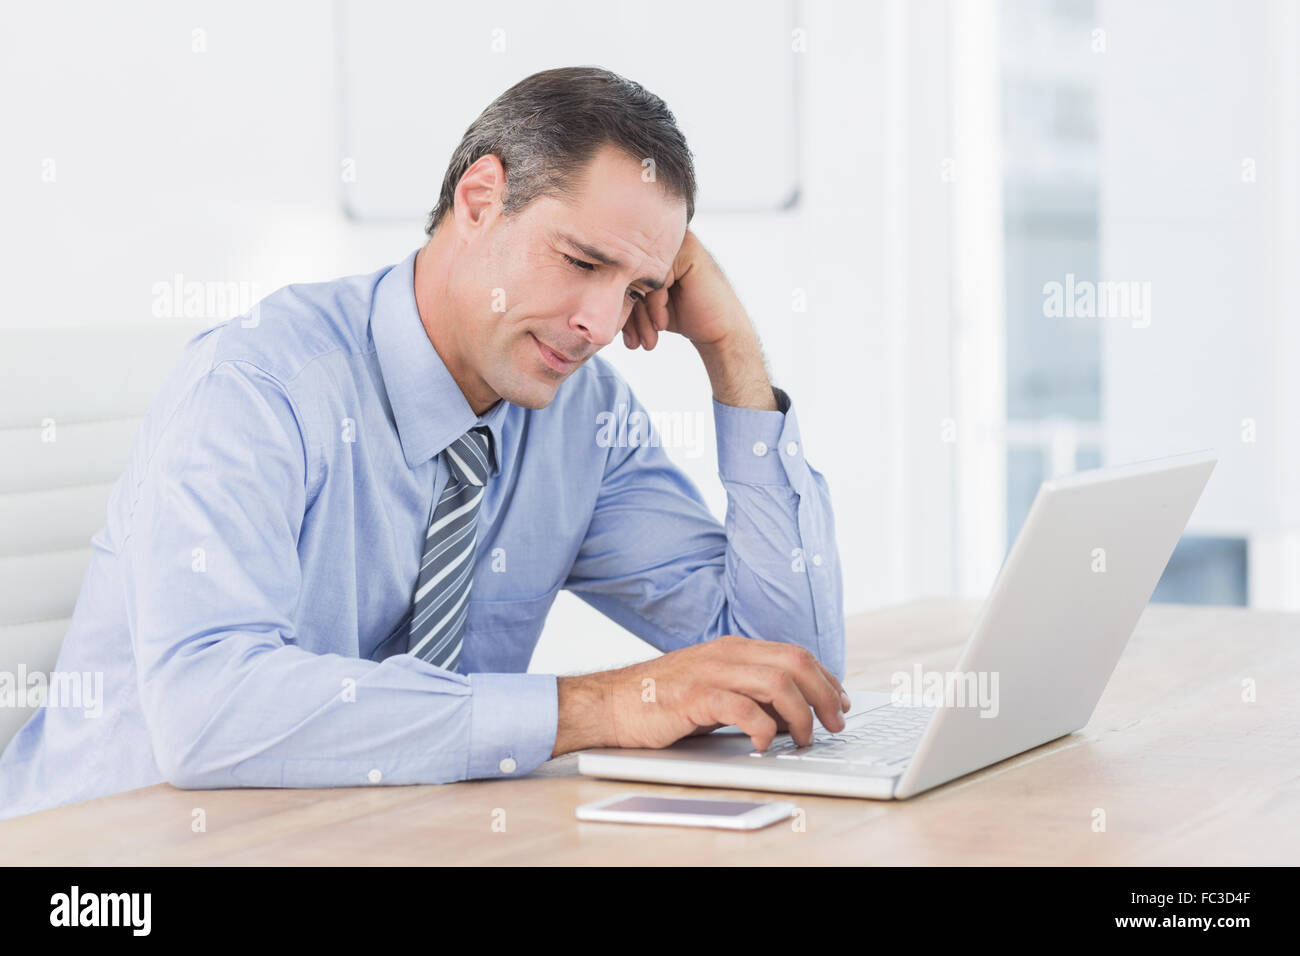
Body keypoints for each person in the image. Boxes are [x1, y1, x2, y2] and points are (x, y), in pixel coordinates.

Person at [0, 66, 847, 819]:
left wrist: (731, 353)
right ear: (479, 200)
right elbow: (207, 710)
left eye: (639, 290)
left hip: (354, 837)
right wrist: (595, 707)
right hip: (110, 847)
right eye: (582, 261)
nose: (600, 323)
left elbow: (789, 673)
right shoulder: (258, 385)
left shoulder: (583, 416)